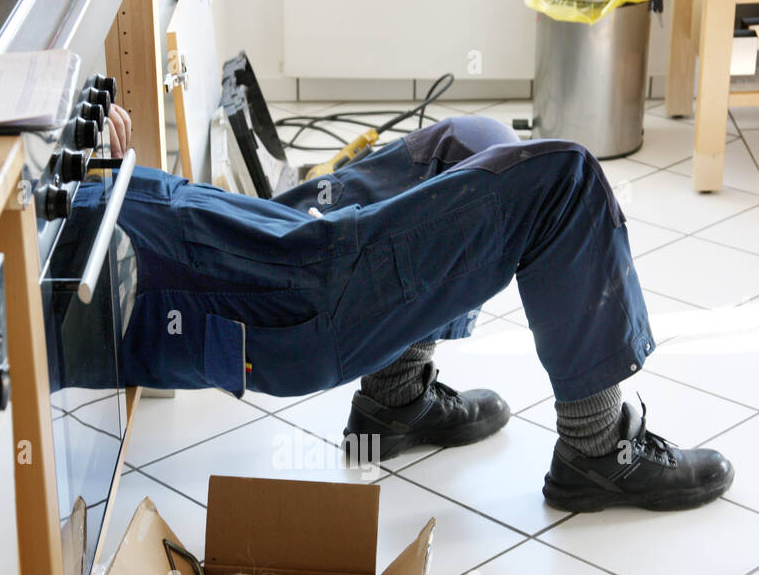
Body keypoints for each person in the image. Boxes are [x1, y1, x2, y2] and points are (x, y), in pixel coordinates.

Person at [101, 103, 733, 512]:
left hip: (268, 233)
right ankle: (597, 450)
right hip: (292, 290)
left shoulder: (56, 201)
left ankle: (394, 400)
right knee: (563, 177)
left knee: (474, 138)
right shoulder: (46, 265)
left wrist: (96, 162)